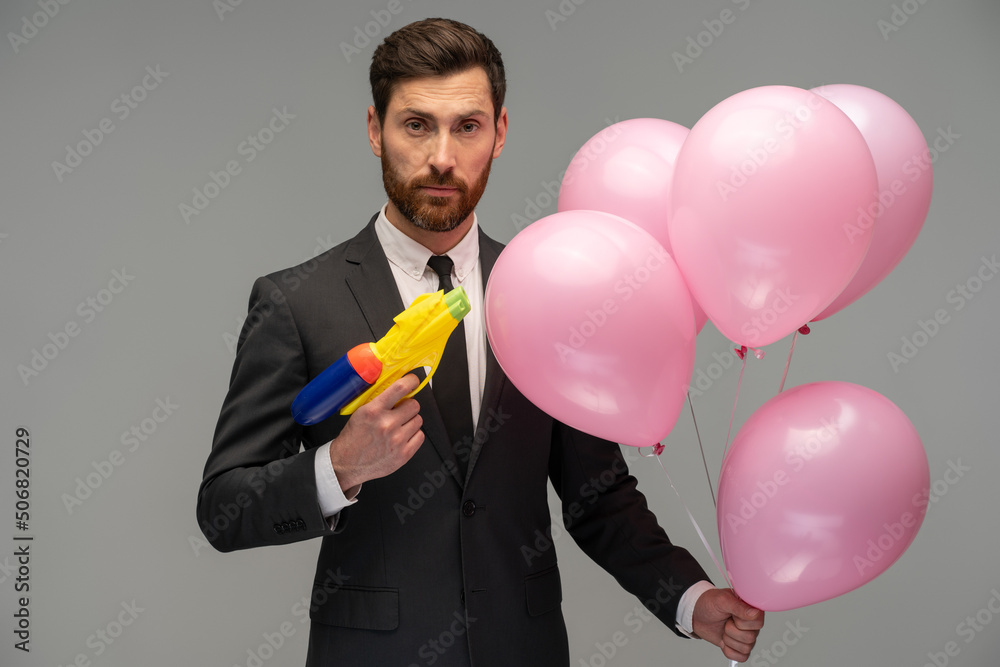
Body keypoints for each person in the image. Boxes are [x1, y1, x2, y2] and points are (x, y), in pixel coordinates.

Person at [197, 17, 764, 666]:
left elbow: (596, 494)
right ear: (374, 131)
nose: (442, 155)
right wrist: (340, 467)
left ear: (498, 133)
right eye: (416, 125)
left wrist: (690, 598)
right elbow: (224, 507)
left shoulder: (554, 296)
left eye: (467, 126)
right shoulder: (296, 300)